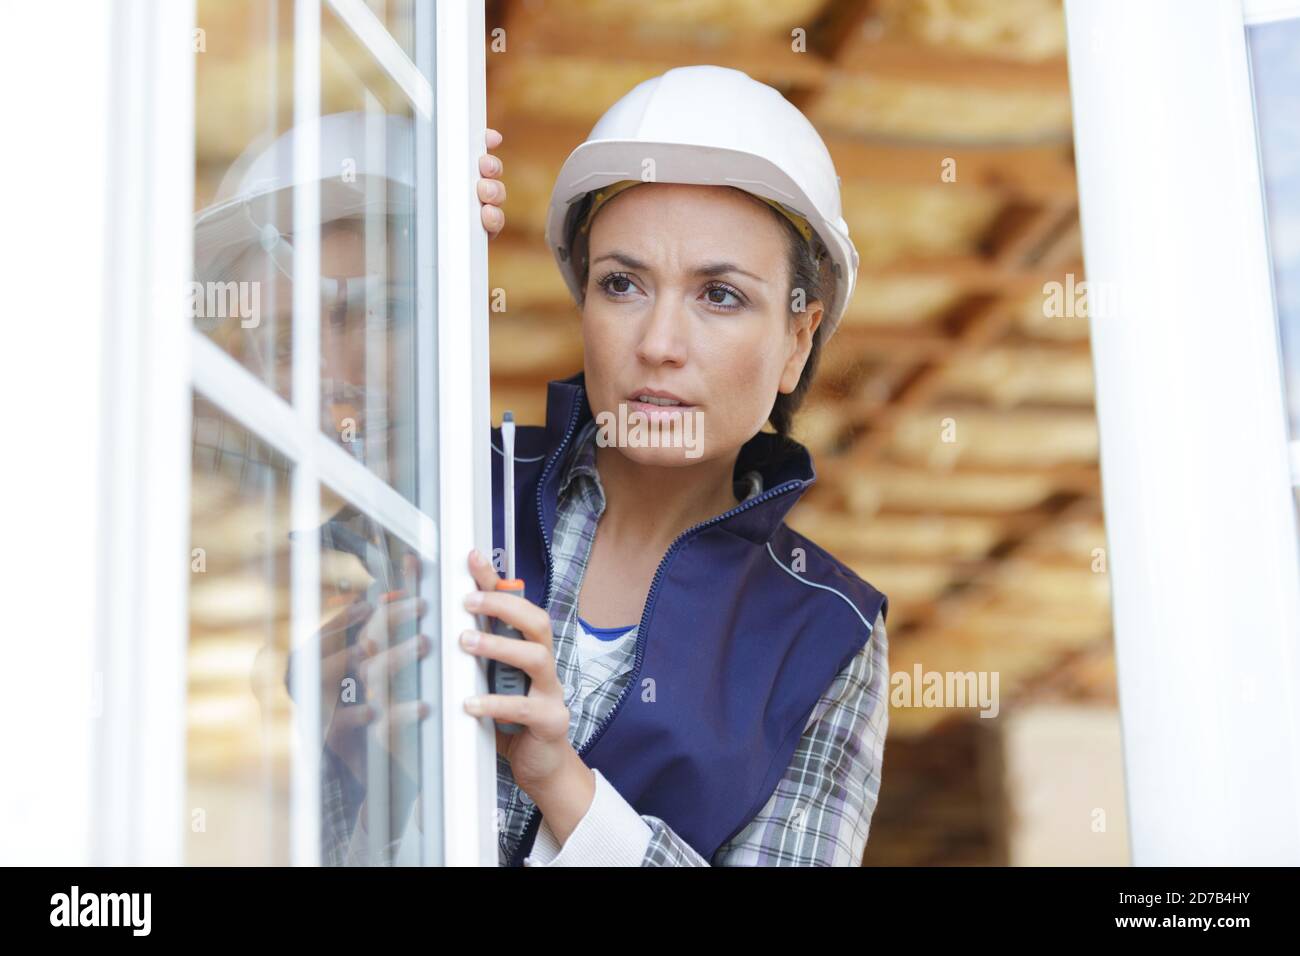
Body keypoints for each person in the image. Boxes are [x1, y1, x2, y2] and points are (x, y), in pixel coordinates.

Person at [462, 65, 891, 866]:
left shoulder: (830, 633)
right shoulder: (458, 476)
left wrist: (562, 784)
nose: (658, 343)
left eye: (720, 295)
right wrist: (406, 248)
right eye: (621, 284)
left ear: (798, 340)